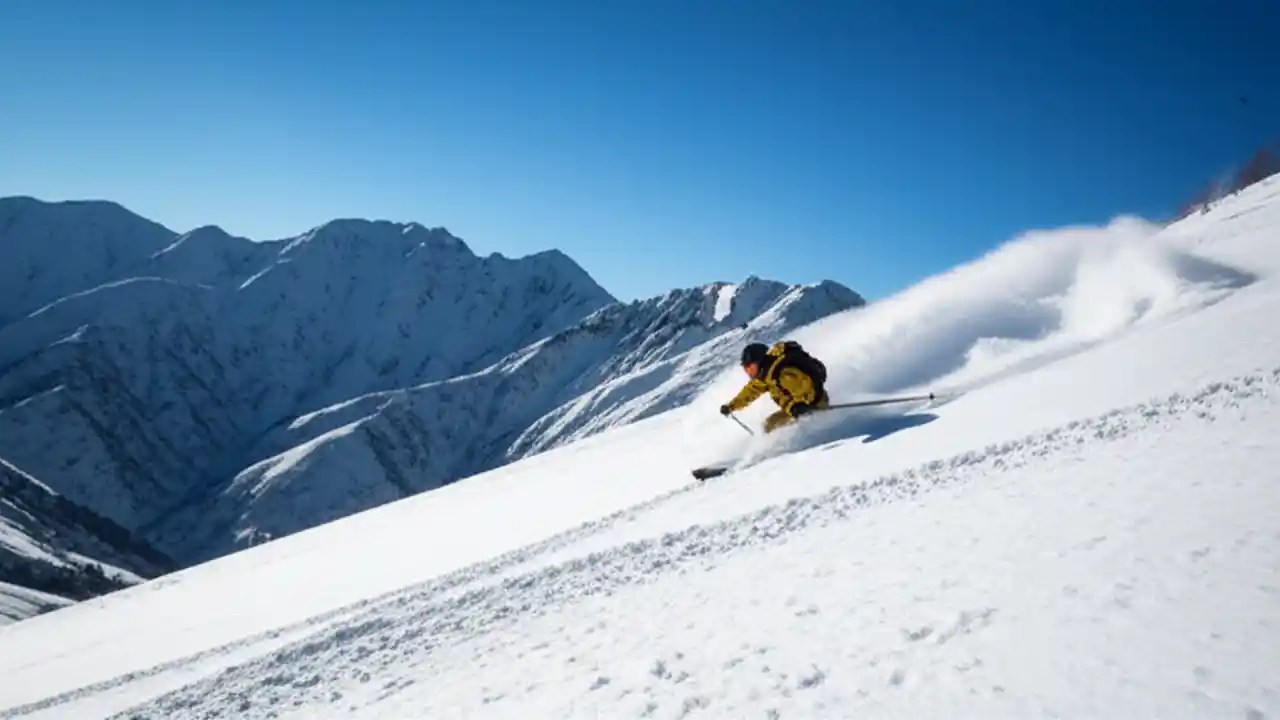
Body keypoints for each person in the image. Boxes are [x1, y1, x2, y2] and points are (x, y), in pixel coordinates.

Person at [720, 341, 829, 433]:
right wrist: (731, 406)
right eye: (746, 368)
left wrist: (799, 405)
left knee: (773, 426)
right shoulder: (765, 376)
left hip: (814, 406)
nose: (748, 372)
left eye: (750, 367)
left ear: (760, 362)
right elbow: (750, 392)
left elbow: (806, 388)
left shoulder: (782, 374)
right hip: (796, 409)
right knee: (769, 425)